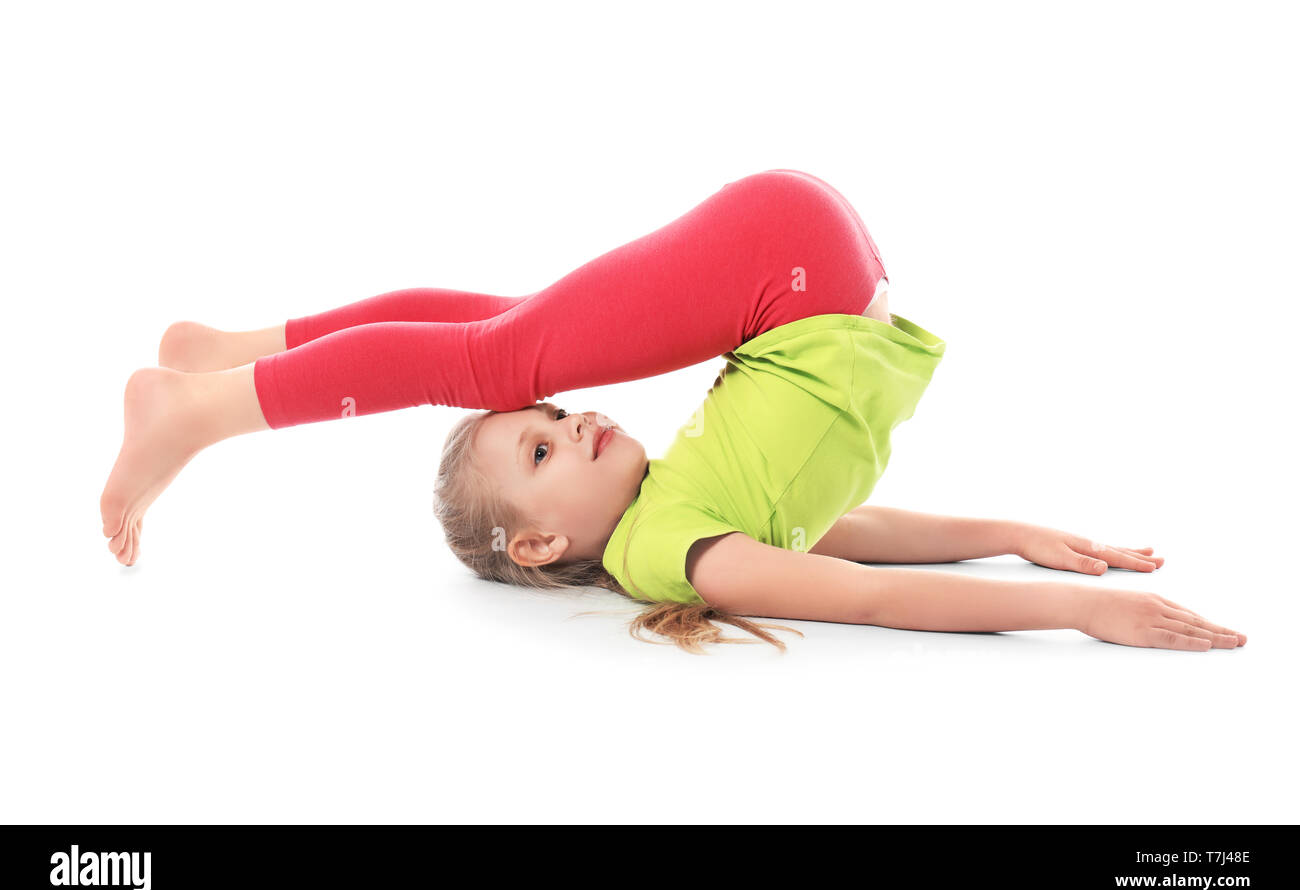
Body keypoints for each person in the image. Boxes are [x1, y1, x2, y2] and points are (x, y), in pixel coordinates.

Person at [99, 169, 1246, 655]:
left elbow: (853, 568)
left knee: (502, 339)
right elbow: (862, 565)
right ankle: (210, 391)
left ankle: (212, 380)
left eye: (547, 422)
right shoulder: (684, 547)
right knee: (499, 337)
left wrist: (1034, 575)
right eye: (542, 447)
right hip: (798, 267)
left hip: (792, 268)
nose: (576, 418)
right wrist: (1039, 570)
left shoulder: (668, 521)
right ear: (540, 541)